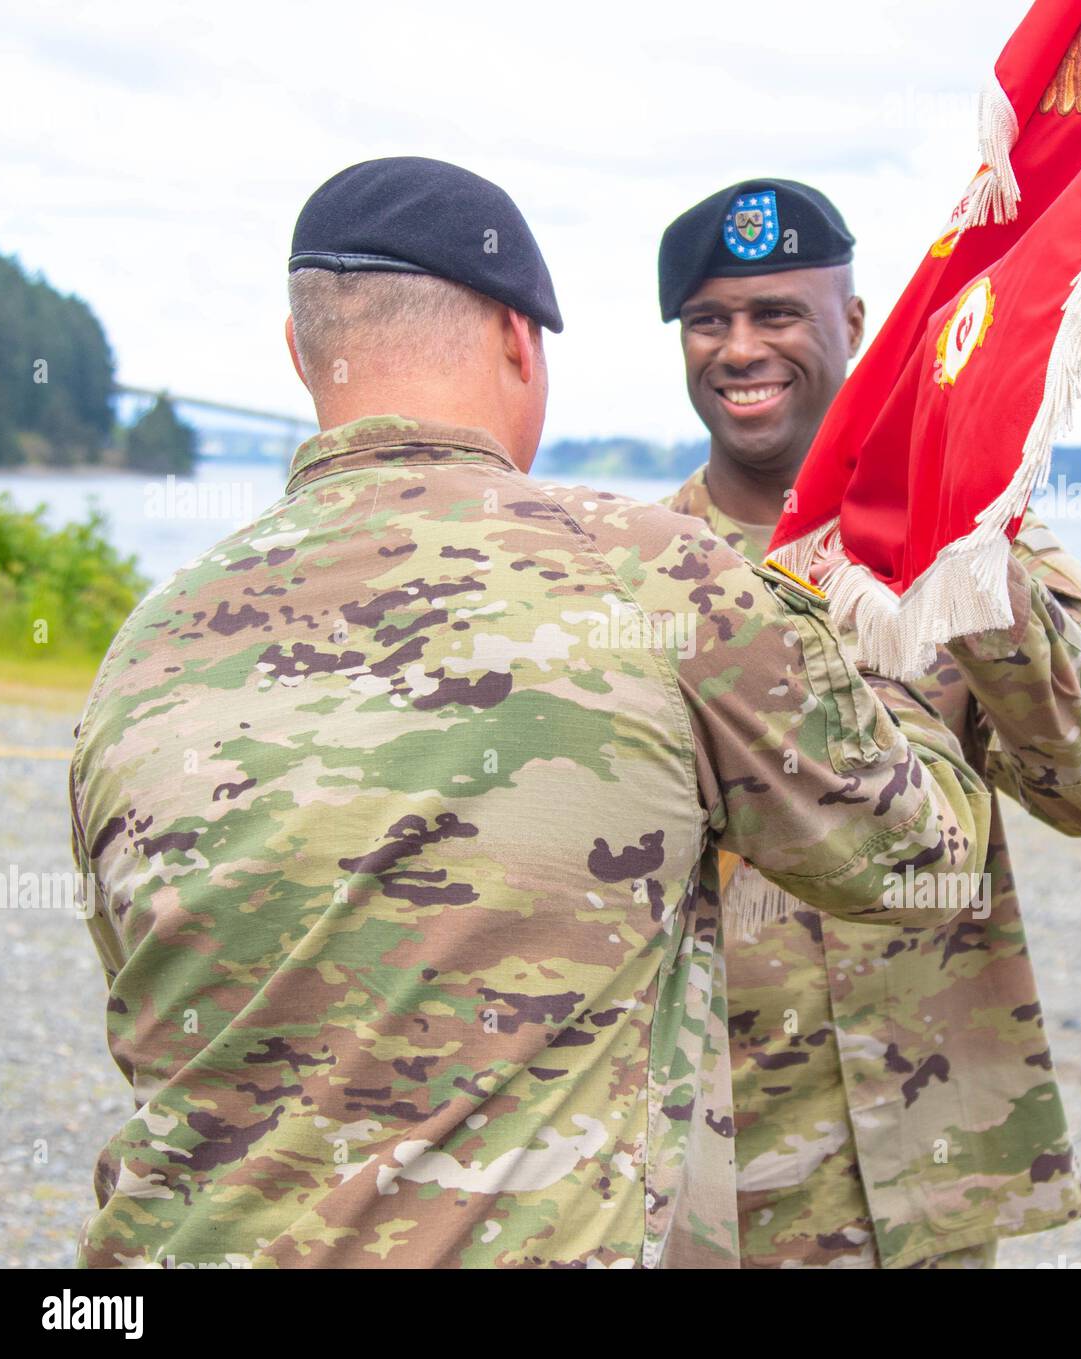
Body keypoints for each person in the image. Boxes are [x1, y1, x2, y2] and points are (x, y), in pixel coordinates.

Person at [68, 157, 992, 1269]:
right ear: (520, 339)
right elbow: (912, 855)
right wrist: (894, 633)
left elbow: (153, 994)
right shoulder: (652, 578)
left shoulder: (146, 646)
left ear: (299, 351)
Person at [656, 178, 1081, 1268]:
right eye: (708, 321)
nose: (740, 348)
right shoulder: (634, 580)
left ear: (854, 324)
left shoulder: (963, 554)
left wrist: (970, 578)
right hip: (704, 1200)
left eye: (777, 313)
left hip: (926, 1182)